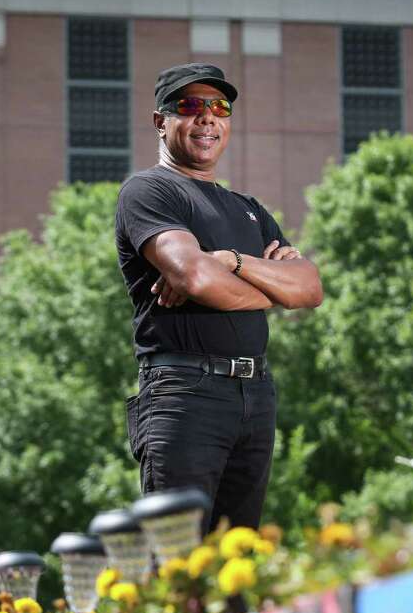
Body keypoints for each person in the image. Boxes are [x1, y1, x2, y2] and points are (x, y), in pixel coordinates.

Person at [115, 62, 323, 534]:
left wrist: (231, 261)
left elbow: (309, 288)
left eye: (220, 107)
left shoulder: (248, 210)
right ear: (161, 121)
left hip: (256, 395)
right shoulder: (149, 191)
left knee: (239, 555)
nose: (207, 117)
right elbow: (194, 277)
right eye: (190, 105)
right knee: (179, 557)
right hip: (184, 392)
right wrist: (273, 290)